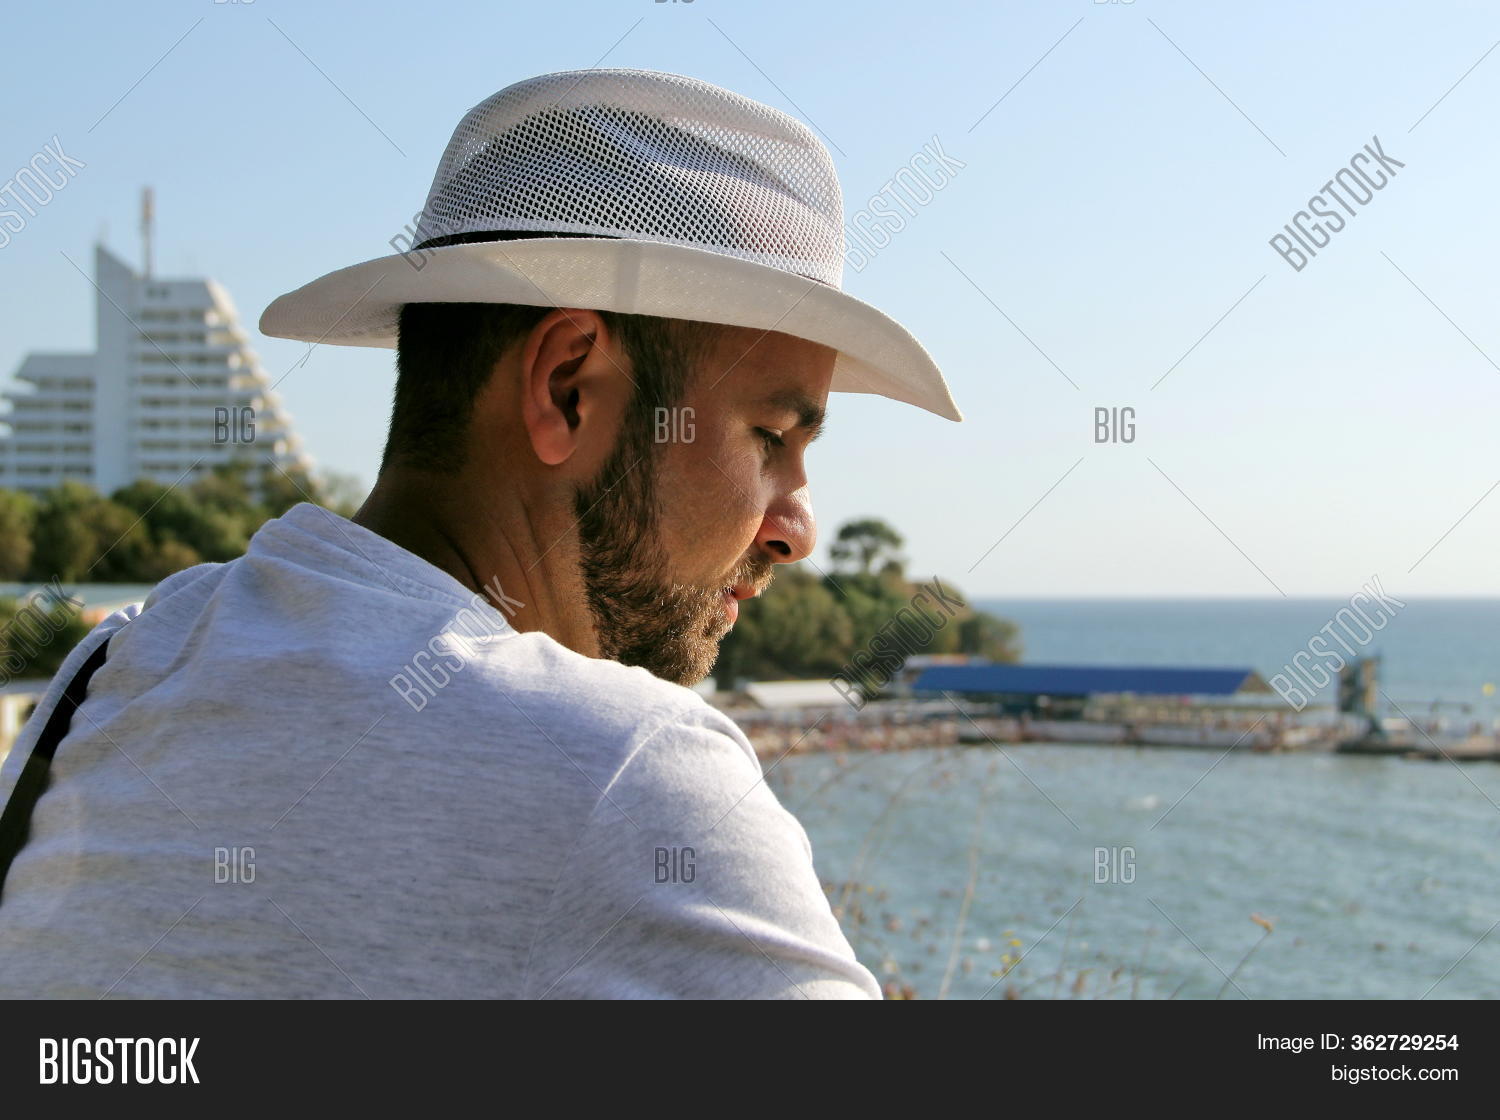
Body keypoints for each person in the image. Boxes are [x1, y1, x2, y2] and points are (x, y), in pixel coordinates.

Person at [0, 68, 961, 998]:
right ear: (567, 386)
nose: (796, 528)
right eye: (772, 438)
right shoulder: (639, 775)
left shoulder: (113, 678)